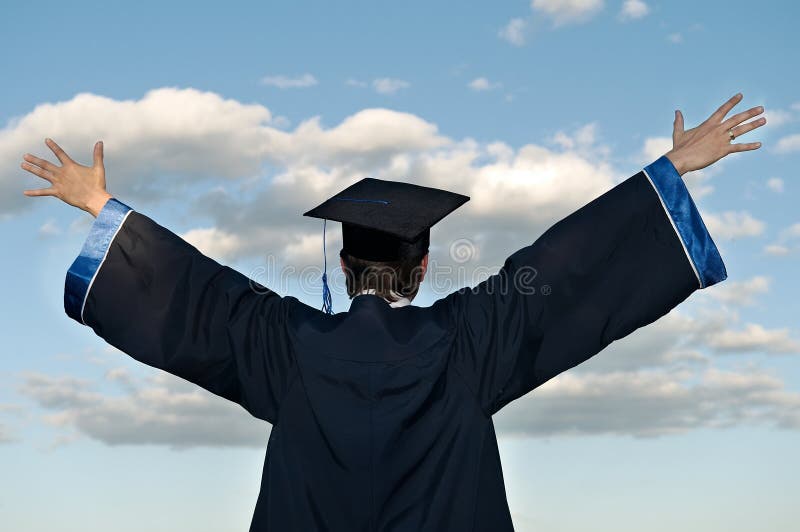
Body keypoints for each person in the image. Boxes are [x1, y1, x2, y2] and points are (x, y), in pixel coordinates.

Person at [20, 93, 765, 531]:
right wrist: (667, 173)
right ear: (424, 267)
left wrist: (100, 205)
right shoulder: (471, 342)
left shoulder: (285, 344)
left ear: (342, 268)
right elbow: (566, 268)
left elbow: (197, 294)